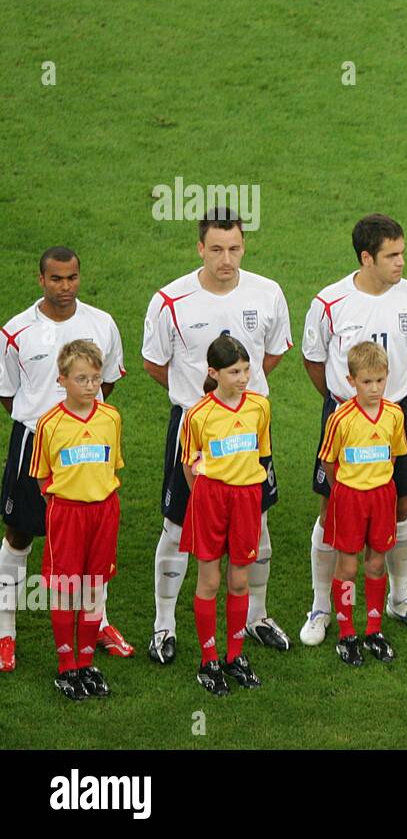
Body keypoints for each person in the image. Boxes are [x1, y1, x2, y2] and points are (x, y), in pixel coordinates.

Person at [142, 208, 293, 664]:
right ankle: (163, 626)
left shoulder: (268, 293)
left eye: (234, 248)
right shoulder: (170, 301)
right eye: (216, 249)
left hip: (249, 430)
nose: (226, 259)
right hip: (195, 429)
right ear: (199, 248)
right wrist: (201, 406)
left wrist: (238, 402)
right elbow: (155, 363)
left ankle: (255, 616)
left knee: (258, 525)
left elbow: (269, 357)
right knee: (177, 526)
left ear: (243, 246)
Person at [300, 214, 407, 645]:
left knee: (399, 504)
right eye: (392, 256)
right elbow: (314, 360)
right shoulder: (329, 303)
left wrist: (380, 401)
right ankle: (322, 606)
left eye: (402, 253)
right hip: (344, 416)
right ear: (366, 257)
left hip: (398, 412)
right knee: (330, 508)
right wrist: (345, 404)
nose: (401, 263)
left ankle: (399, 598)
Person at [1, 247, 131, 673]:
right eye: (56, 279)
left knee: (94, 538)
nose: (65, 286)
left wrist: (79, 422)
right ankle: (5, 631)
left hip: (88, 447)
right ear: (40, 279)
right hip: (35, 442)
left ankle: (99, 625)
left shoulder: (102, 324)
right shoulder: (16, 331)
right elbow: (8, 393)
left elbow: (106, 380)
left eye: (72, 278)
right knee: (20, 534)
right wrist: (53, 428)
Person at [29, 341, 123, 700]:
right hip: (66, 513)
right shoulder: (49, 423)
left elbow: (112, 465)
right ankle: (66, 666)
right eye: (81, 378)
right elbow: (42, 477)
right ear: (62, 380)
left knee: (93, 588)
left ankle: (87, 664)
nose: (89, 385)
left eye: (95, 378)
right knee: (67, 588)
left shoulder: (111, 417)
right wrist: (68, 501)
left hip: (104, 511)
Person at [180, 336, 271, 695]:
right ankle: (209, 660)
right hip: (210, 498)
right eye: (235, 371)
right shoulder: (198, 414)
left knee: (239, 581)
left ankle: (235, 656)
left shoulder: (260, 408)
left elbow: (261, 453)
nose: (244, 377)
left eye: (247, 369)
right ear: (213, 373)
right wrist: (206, 498)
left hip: (247, 498)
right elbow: (190, 465)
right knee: (210, 582)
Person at [318, 341, 407, 666]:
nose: (374, 388)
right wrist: (345, 489)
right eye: (366, 381)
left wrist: (376, 483)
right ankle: (346, 633)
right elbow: (328, 461)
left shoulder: (395, 415)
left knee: (375, 563)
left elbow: (395, 454)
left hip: (382, 496)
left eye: (379, 381)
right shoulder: (341, 418)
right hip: (349, 497)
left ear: (387, 378)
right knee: (349, 566)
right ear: (351, 380)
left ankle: (373, 630)